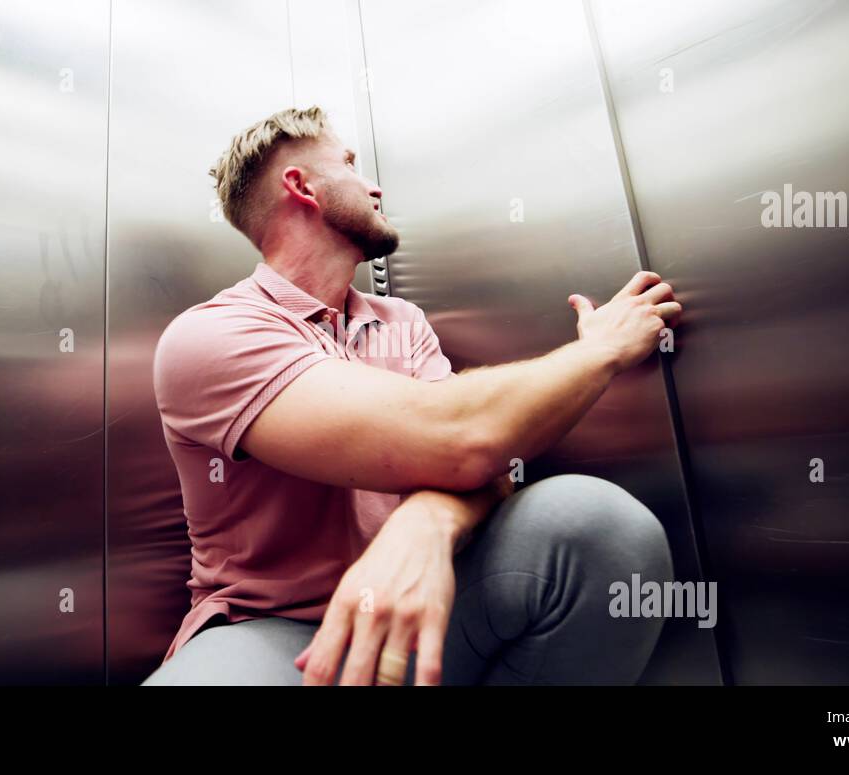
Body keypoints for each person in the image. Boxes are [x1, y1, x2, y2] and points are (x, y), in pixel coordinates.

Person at [142, 106, 682, 685]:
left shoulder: (399, 319)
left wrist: (423, 524)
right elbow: (459, 439)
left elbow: (488, 463)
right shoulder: (210, 335)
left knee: (596, 528)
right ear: (302, 187)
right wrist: (598, 351)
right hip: (271, 630)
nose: (374, 185)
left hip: (430, 601)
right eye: (349, 163)